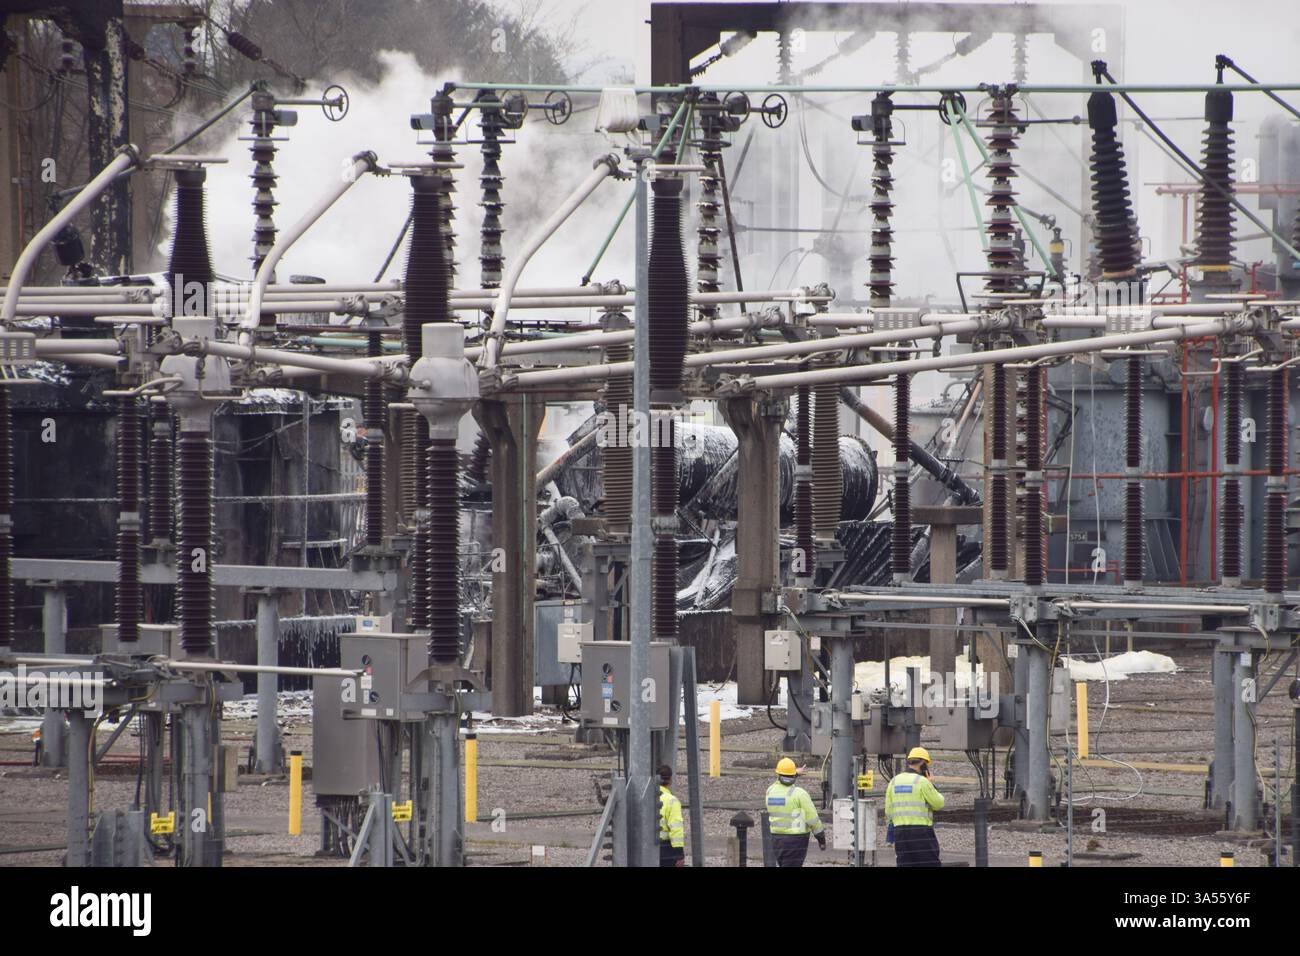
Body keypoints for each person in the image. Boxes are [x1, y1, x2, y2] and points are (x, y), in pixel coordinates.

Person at [884, 746, 944, 867]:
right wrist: (931, 783)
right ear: (923, 763)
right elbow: (939, 803)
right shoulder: (922, 781)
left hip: (900, 833)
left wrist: (892, 829)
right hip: (921, 832)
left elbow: (888, 810)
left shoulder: (894, 781)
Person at [765, 757, 825, 867]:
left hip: (776, 839)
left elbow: (780, 782)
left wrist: (793, 773)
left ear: (778, 774)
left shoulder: (770, 792)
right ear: (793, 776)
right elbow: (812, 819)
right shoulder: (800, 794)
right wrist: (821, 838)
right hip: (796, 841)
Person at [658, 765, 685, 867]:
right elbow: (676, 829)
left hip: (644, 846)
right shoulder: (671, 800)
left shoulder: (645, 797)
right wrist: (679, 854)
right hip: (666, 850)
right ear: (670, 780)